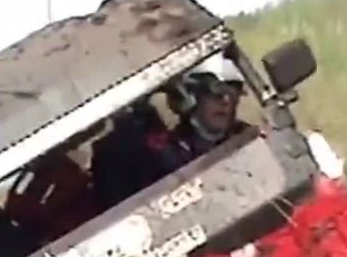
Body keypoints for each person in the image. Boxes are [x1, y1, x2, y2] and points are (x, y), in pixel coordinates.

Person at [91, 54, 251, 208]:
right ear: (190, 96)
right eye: (215, 94)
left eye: (232, 94)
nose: (225, 102)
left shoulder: (248, 140)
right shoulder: (160, 153)